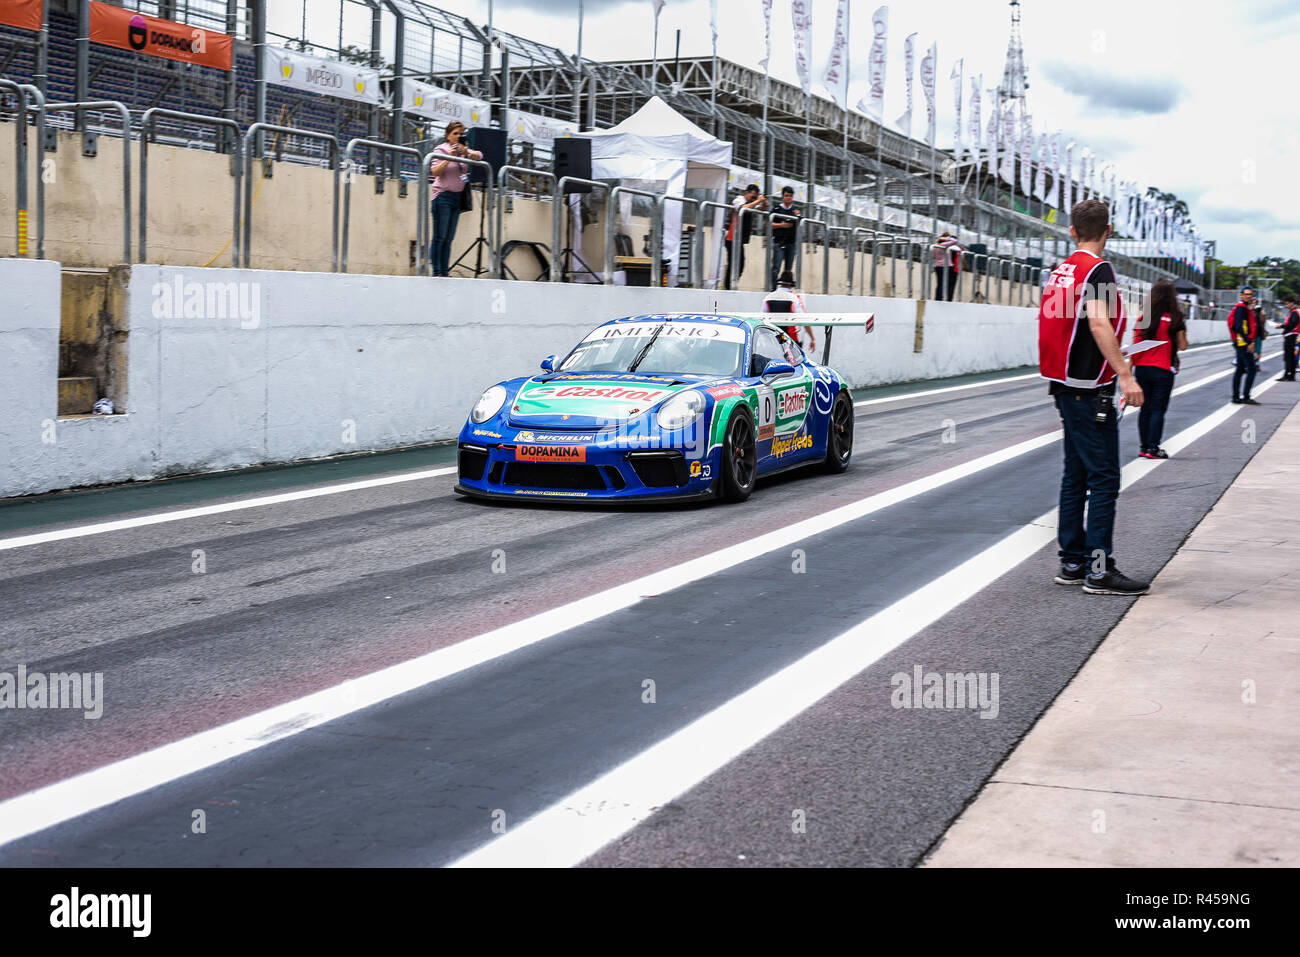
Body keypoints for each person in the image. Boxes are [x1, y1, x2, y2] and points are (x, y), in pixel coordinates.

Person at [1038, 198, 1149, 596]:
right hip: (1089, 386)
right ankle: (1099, 569)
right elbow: (1100, 323)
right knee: (1104, 477)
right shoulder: (1097, 269)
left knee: (1076, 473)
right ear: (1109, 231)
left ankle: (1072, 560)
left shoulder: (1061, 270)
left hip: (1064, 384)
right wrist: (1125, 374)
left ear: (1072, 231)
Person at [1131, 279, 1189, 459]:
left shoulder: (1144, 317)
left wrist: (1128, 372)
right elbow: (1183, 345)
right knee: (1158, 410)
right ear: (1172, 297)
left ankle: (1143, 447)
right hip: (1163, 370)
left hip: (1142, 369)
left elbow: (1136, 345)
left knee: (1145, 409)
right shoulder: (1176, 318)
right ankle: (1153, 448)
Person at [428, 120, 482, 277]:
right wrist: (449, 157)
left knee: (449, 237)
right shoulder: (441, 149)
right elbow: (435, 172)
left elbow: (479, 155)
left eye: (460, 134)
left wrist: (467, 153)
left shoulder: (463, 149)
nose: (458, 136)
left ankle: (445, 271)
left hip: (457, 198)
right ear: (447, 135)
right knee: (440, 236)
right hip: (443, 196)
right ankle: (437, 271)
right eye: (455, 134)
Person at [724, 184, 767, 290]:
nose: (753, 199)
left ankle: (732, 284)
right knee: (732, 264)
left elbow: (761, 208)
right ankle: (728, 286)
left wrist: (764, 201)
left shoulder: (751, 203)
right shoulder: (739, 199)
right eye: (752, 196)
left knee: (741, 264)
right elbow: (742, 208)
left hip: (740, 239)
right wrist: (757, 201)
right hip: (732, 237)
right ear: (746, 193)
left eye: (755, 197)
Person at [762, 269, 816, 355]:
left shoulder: (768, 297)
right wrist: (812, 338)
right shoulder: (794, 298)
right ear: (792, 284)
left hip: (773, 339)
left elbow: (762, 319)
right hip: (790, 340)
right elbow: (804, 320)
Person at [1226, 286, 1261, 404]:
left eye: (1250, 294)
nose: (1248, 296)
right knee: (1252, 369)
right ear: (1241, 295)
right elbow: (1238, 326)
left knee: (1240, 369)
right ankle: (1246, 396)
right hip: (1243, 343)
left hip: (1241, 342)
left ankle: (1236, 397)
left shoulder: (1244, 307)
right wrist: (1249, 342)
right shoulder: (1241, 308)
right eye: (1246, 294)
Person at [769, 186, 801, 290]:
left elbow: (800, 223)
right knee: (776, 268)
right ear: (782, 196)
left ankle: (786, 290)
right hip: (779, 242)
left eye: (790, 196)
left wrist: (799, 216)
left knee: (788, 269)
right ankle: (773, 289)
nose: (788, 198)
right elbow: (769, 224)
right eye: (786, 195)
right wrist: (782, 225)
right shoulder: (776, 209)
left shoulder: (795, 211)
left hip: (791, 243)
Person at [931, 231, 963, 300]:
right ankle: (941, 298)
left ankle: (938, 297)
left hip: (937, 266)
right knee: (944, 284)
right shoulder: (944, 245)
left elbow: (933, 257)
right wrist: (947, 238)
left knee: (939, 283)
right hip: (945, 266)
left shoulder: (935, 246)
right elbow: (955, 241)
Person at [1278, 297, 1299, 382]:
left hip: (1290, 336)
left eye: (1287, 303)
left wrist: (1282, 326)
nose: (1286, 305)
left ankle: (1287, 375)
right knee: (1291, 356)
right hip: (1292, 335)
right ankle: (1291, 375)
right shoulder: (1294, 312)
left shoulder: (1294, 312)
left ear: (1292, 303)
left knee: (1288, 357)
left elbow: (1293, 324)